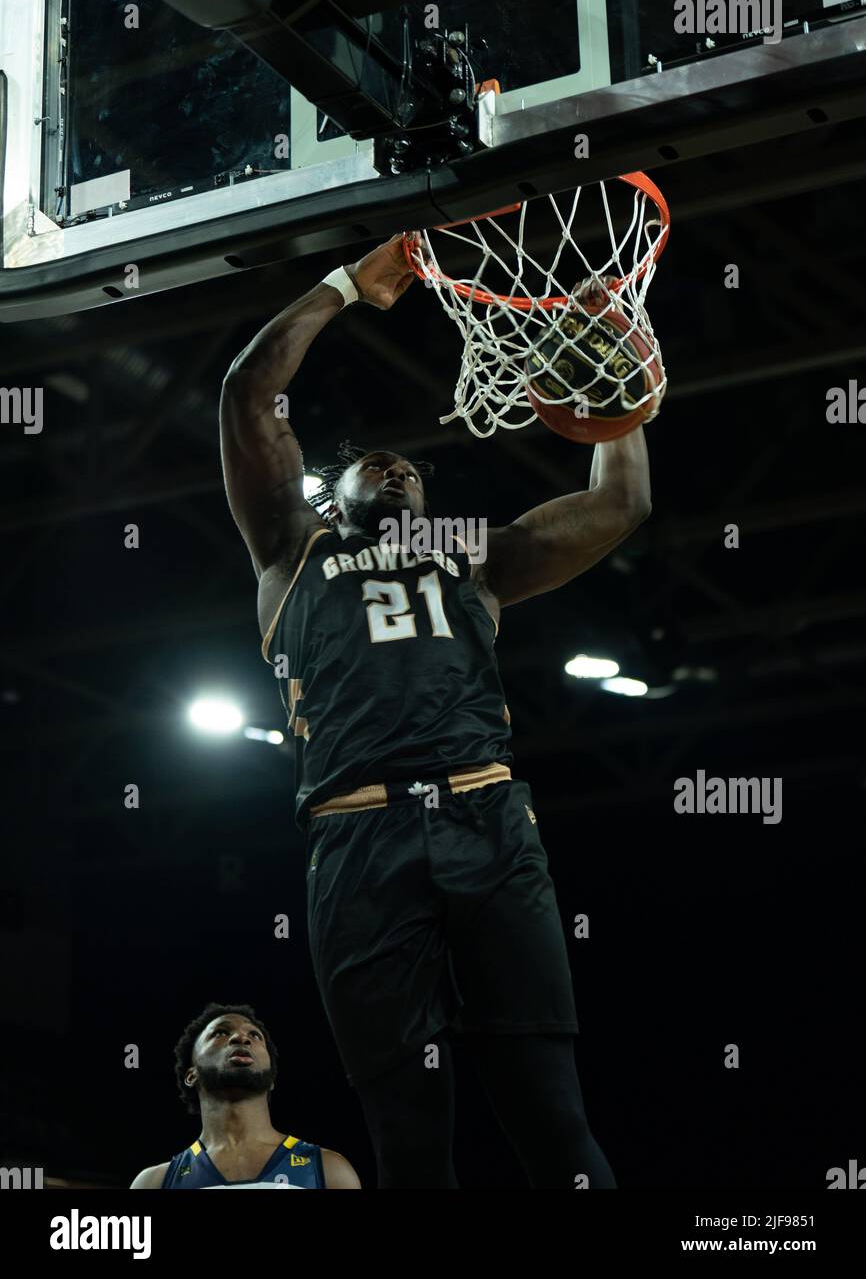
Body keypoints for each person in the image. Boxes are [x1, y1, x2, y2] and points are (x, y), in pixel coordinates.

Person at [218, 235, 651, 1188]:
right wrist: (342, 288)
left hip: (487, 820)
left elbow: (619, 503)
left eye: (411, 467)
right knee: (411, 1136)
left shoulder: (468, 551)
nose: (399, 470)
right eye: (375, 464)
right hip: (356, 836)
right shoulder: (291, 550)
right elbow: (248, 392)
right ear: (332, 494)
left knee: (550, 1111)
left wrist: (616, 383)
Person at [129, 1003, 361, 1188]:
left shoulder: (330, 1170)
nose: (241, 1038)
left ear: (271, 1079)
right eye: (220, 1032)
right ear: (191, 1074)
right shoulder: (154, 1183)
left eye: (254, 1035)